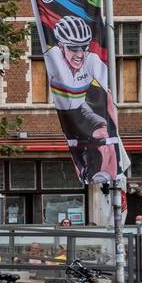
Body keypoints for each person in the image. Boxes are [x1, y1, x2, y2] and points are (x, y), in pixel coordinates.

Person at [43, 16, 121, 185]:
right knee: (74, 142)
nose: (80, 54)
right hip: (64, 113)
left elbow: (107, 94)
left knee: (103, 133)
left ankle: (103, 171)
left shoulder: (90, 59)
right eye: (73, 48)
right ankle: (83, 163)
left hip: (81, 109)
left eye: (84, 47)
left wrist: (114, 130)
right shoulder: (53, 56)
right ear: (61, 46)